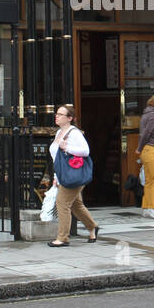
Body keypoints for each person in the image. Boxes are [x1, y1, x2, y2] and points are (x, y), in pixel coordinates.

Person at [48, 103, 100, 247]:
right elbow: (57, 159)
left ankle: (63, 237)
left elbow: (85, 151)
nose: (56, 116)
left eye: (60, 114)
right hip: (65, 175)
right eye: (56, 114)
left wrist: (67, 147)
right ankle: (92, 227)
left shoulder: (74, 133)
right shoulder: (59, 132)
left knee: (62, 203)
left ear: (70, 118)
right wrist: (56, 177)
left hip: (74, 175)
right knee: (76, 205)